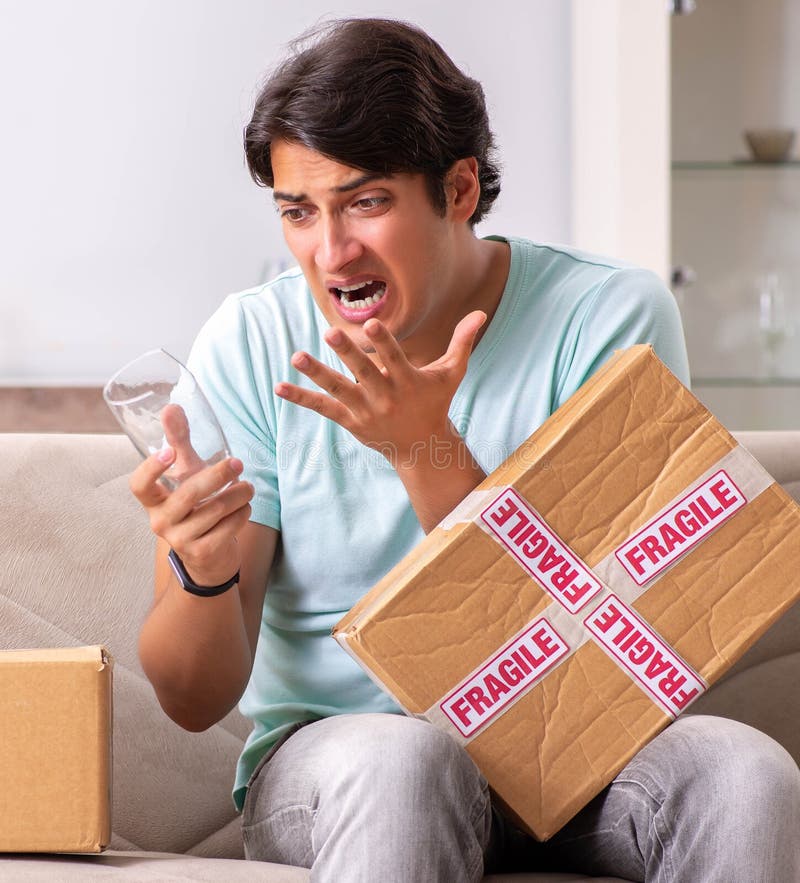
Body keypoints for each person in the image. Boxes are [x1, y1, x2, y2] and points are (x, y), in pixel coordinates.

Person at [129, 17, 800, 882]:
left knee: (746, 772)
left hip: (582, 743)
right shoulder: (252, 344)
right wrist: (205, 573)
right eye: (299, 212)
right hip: (346, 759)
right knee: (410, 762)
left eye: (365, 202)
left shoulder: (608, 320)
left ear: (457, 188)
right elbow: (193, 700)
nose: (330, 253)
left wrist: (426, 450)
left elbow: (604, 639)